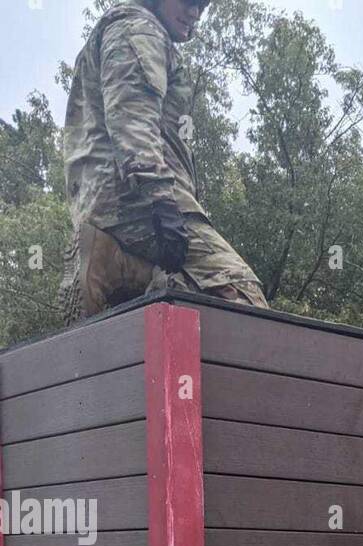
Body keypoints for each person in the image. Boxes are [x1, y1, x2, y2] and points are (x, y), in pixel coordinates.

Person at [59, 0, 267, 323]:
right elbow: (131, 119)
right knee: (241, 297)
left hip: (112, 201)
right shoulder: (139, 28)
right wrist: (161, 200)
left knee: (186, 303)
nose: (195, 13)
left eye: (204, 6)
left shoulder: (125, 31)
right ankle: (119, 267)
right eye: (189, 1)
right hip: (135, 201)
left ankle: (120, 266)